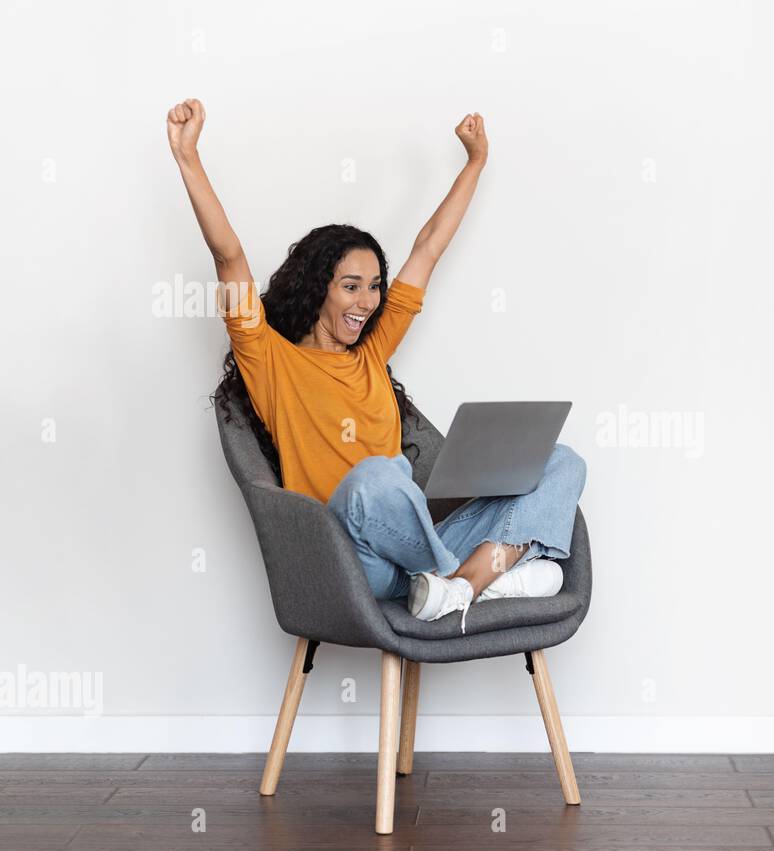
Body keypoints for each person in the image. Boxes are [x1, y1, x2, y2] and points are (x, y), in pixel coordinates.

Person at [167, 98, 585, 634]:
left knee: (560, 461)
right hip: (350, 561)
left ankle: (457, 589)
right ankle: (483, 579)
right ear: (319, 288)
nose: (367, 302)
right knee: (376, 477)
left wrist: (475, 162)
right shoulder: (271, 361)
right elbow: (229, 258)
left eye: (374, 287)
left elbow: (428, 248)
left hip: (412, 558)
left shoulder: (372, 351)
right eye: (350, 286)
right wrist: (188, 158)